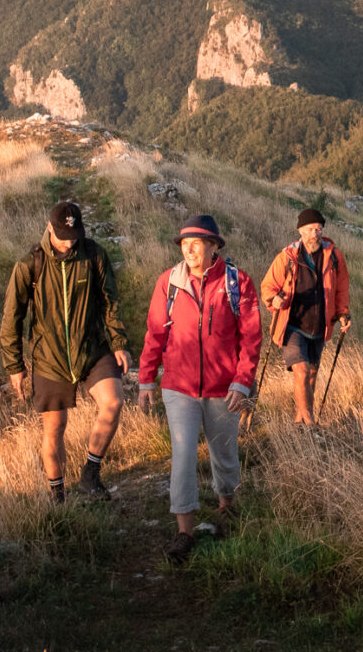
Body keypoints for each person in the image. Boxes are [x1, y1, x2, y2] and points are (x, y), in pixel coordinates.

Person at [137, 214, 263, 564]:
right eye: (184, 244)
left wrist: (243, 380)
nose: (189, 250)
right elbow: (154, 333)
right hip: (178, 385)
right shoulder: (169, 283)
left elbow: (251, 337)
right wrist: (146, 378)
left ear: (213, 247)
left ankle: (226, 505)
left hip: (224, 387)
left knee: (224, 452)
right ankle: (184, 532)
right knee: (182, 453)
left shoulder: (237, 282)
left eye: (197, 244)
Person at [0, 201, 132, 503]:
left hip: (92, 348)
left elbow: (111, 302)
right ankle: (58, 498)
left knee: (113, 402)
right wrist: (15, 365)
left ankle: (90, 475)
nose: (68, 241)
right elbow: (12, 317)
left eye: (72, 235)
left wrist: (119, 342)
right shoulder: (29, 264)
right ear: (49, 228)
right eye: (61, 235)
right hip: (50, 359)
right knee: (54, 429)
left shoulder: (94, 254)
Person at [259, 208, 352, 428]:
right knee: (300, 371)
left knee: (311, 373)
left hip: (319, 325)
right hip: (293, 324)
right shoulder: (288, 256)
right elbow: (268, 286)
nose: (315, 233)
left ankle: (299, 418)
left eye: (319, 229)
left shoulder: (334, 256)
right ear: (300, 231)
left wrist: (343, 313)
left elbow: (341, 288)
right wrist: (274, 300)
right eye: (311, 229)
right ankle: (308, 421)